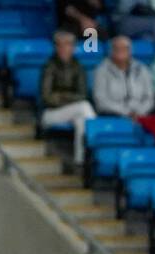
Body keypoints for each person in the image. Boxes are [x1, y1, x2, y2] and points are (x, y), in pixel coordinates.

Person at [40, 31, 97, 166]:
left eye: (68, 45)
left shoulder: (78, 66)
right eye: (61, 45)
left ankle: (80, 160)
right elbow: (47, 97)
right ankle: (94, 151)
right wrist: (70, 99)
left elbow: (83, 94)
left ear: (73, 47)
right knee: (84, 107)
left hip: (73, 111)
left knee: (81, 121)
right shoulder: (49, 66)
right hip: (51, 113)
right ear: (56, 47)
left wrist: (62, 97)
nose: (64, 48)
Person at [93, 36, 155, 118]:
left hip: (141, 114)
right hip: (113, 115)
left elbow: (149, 97)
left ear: (130, 50)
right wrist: (126, 112)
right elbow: (100, 100)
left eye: (124, 48)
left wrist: (140, 112)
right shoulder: (102, 70)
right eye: (116, 48)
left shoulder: (142, 69)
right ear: (111, 51)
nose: (120, 51)